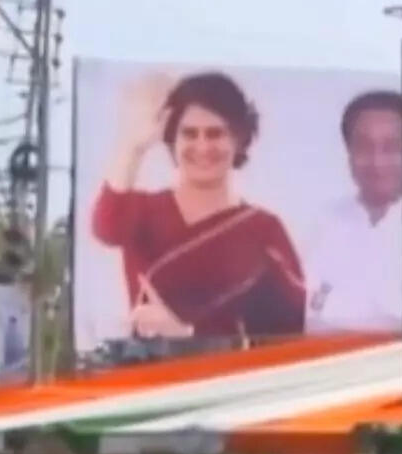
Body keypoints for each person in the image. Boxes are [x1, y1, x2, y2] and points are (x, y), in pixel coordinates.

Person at [91, 71, 306, 341]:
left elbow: (289, 333)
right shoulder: (143, 212)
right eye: (189, 134)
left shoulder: (263, 230)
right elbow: (106, 228)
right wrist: (133, 146)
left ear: (238, 140)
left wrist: (189, 334)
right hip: (151, 374)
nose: (202, 146)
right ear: (172, 140)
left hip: (227, 379)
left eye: (215, 134)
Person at [301, 90, 402, 333]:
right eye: (364, 147)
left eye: (391, 148)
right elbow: (308, 311)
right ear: (348, 154)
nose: (376, 162)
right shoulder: (325, 221)